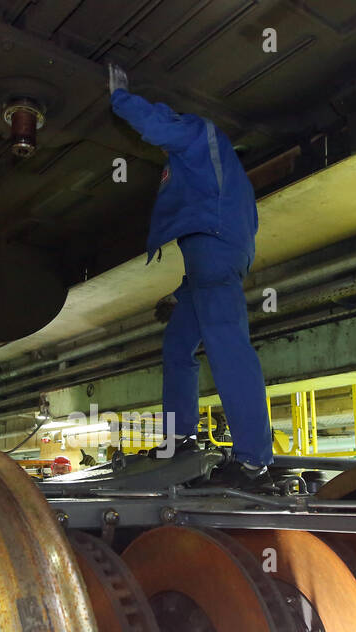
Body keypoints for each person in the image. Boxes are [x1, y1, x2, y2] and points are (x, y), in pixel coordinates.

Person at [108, 62, 272, 485]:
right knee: (178, 346)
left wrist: (122, 99)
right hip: (206, 265)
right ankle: (180, 437)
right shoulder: (213, 179)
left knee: (227, 347)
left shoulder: (202, 135)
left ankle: (253, 457)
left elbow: (162, 125)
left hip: (215, 257)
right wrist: (184, 291)